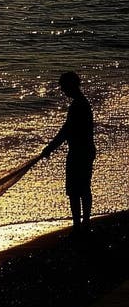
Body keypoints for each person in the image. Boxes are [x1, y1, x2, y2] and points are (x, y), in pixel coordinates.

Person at [41, 71, 96, 230]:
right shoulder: (82, 103)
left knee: (75, 191)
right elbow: (68, 130)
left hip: (79, 153)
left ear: (71, 85)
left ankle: (80, 226)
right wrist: (50, 147)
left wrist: (50, 148)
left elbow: (66, 131)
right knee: (83, 188)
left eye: (64, 86)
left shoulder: (78, 106)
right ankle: (83, 224)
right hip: (86, 150)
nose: (63, 90)